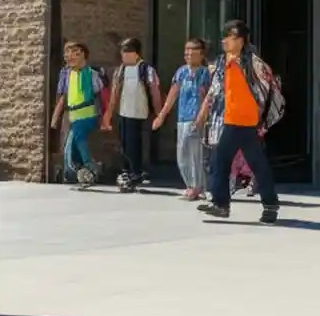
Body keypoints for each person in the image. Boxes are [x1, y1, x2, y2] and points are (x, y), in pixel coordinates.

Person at [194, 19, 280, 224]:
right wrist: (202, 114)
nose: (223, 40)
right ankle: (270, 206)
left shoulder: (254, 62)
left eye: (228, 37)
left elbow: (270, 88)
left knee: (219, 160)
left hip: (246, 120)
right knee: (257, 164)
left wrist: (265, 120)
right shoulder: (223, 61)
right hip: (232, 119)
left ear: (240, 40)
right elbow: (215, 90)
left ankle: (221, 204)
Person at [153, 38, 212, 200]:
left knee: (196, 154)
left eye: (192, 51)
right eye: (186, 51)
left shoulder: (205, 73)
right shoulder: (181, 72)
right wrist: (162, 115)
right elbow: (173, 94)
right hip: (183, 118)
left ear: (201, 53)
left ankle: (197, 186)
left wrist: (202, 118)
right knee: (182, 152)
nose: (188, 54)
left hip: (198, 118)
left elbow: (208, 97)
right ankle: (190, 185)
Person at [103, 37, 162, 191]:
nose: (124, 55)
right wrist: (108, 115)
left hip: (138, 113)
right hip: (124, 112)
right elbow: (114, 94)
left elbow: (154, 92)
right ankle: (128, 172)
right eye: (123, 52)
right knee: (124, 144)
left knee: (133, 145)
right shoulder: (120, 71)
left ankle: (135, 171)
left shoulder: (146, 70)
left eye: (127, 51)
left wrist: (159, 114)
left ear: (136, 53)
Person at [50, 41, 107, 188]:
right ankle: (83, 171)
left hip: (88, 115)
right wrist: (56, 116)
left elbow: (102, 96)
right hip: (73, 116)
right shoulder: (67, 74)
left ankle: (87, 168)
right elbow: (63, 97)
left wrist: (106, 117)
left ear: (82, 54)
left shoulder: (93, 74)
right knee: (72, 145)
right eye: (66, 53)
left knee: (74, 141)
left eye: (74, 52)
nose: (69, 56)